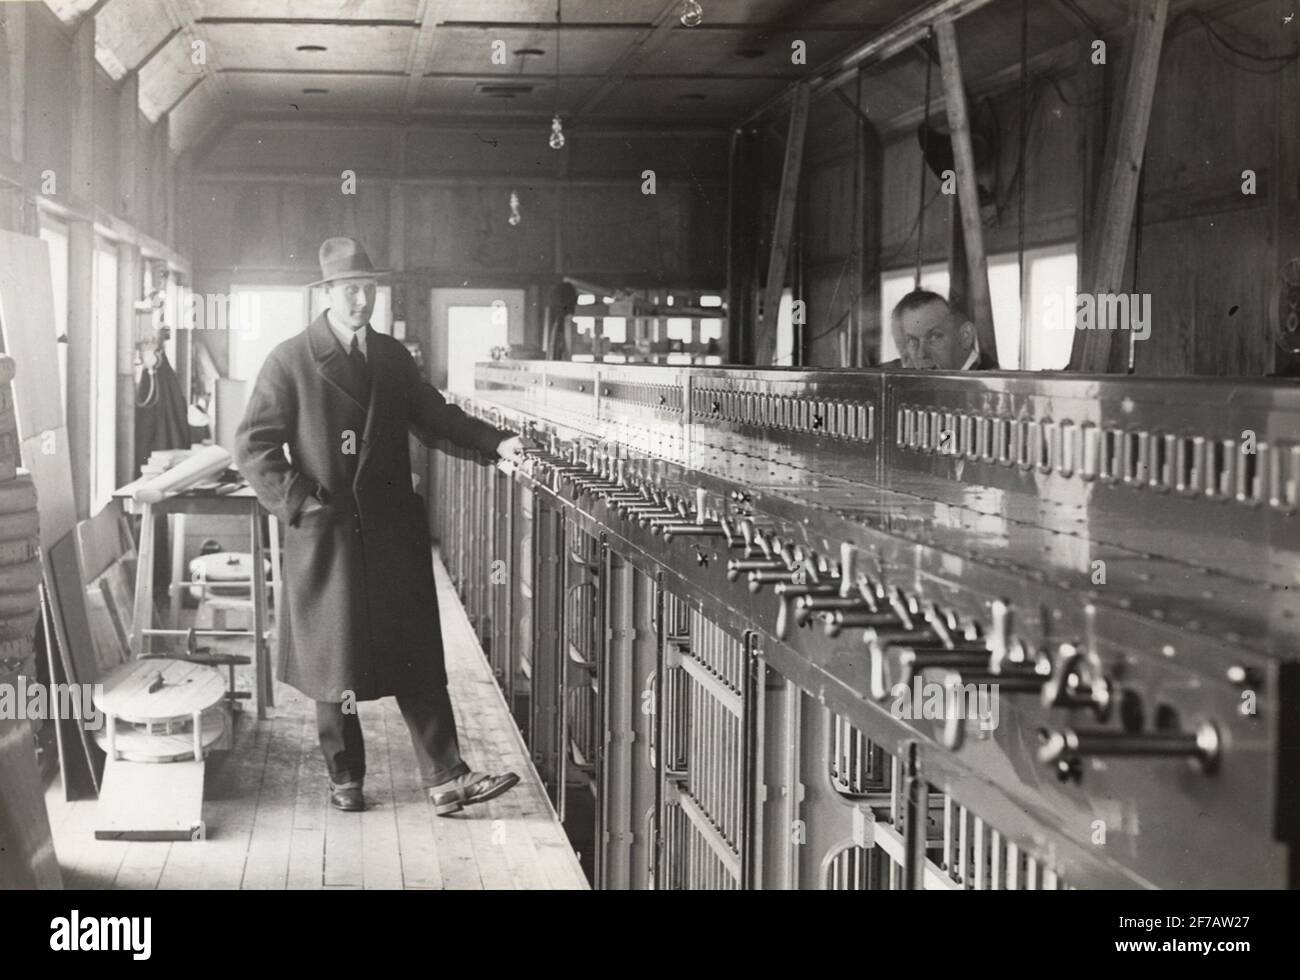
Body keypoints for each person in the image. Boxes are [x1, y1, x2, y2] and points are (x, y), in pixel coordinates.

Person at [235, 236, 528, 815]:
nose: (361, 300)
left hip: (391, 528)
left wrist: (497, 442)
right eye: (350, 290)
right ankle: (345, 778)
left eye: (368, 289)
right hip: (329, 531)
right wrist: (302, 503)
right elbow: (253, 446)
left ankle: (447, 778)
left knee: (414, 650)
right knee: (334, 662)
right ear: (327, 294)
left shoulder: (392, 357)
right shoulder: (290, 359)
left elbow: (434, 416)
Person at [891, 289, 997, 370]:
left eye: (934, 336)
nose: (921, 354)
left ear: (965, 336)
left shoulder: (992, 384)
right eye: (912, 340)